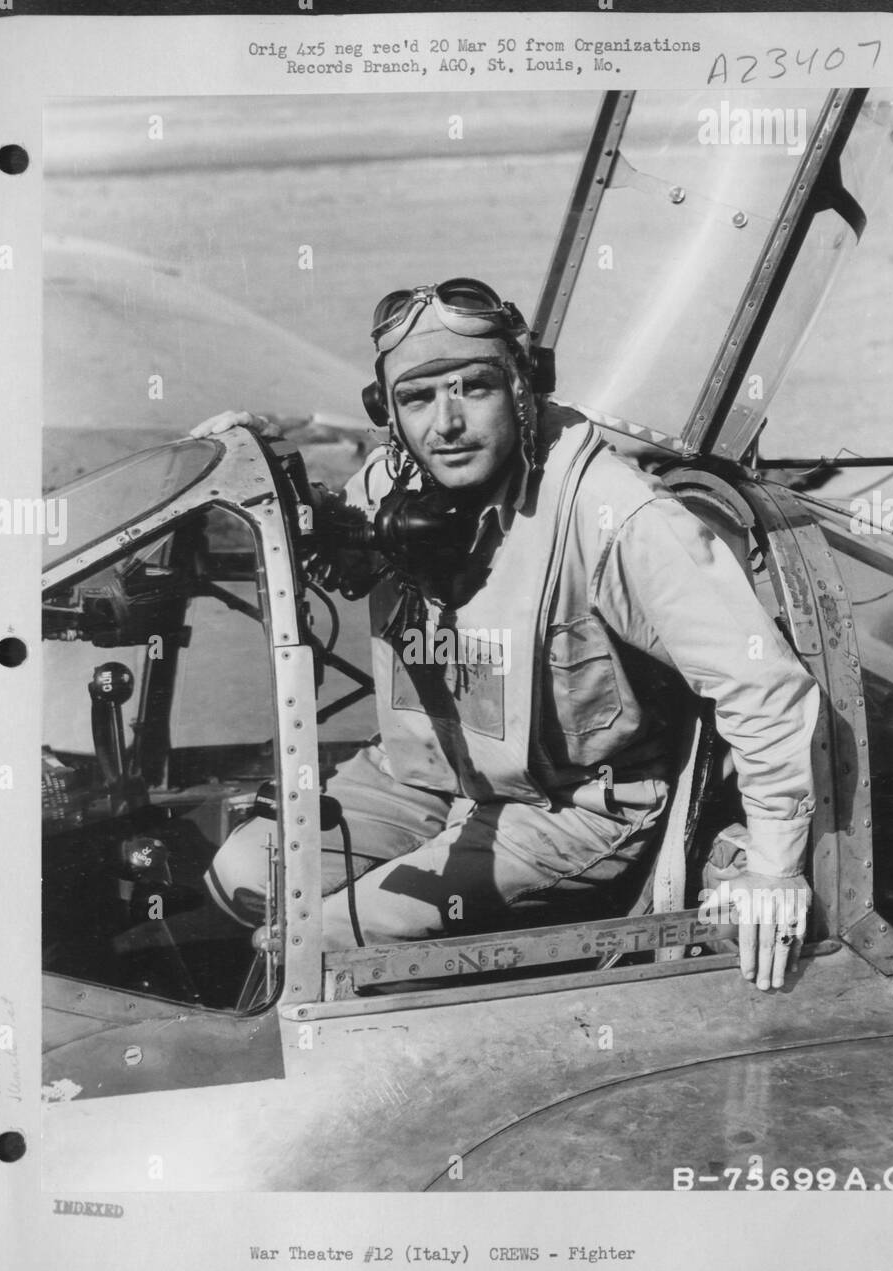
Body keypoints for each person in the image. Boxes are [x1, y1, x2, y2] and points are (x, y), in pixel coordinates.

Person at [193, 278, 819, 990]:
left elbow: (762, 686)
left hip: (565, 809)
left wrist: (774, 868)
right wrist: (254, 471)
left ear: (523, 389)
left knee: (325, 943)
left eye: (473, 388)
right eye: (419, 399)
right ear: (388, 412)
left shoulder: (612, 512)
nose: (446, 424)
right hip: (422, 775)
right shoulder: (396, 484)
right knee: (244, 877)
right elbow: (333, 552)